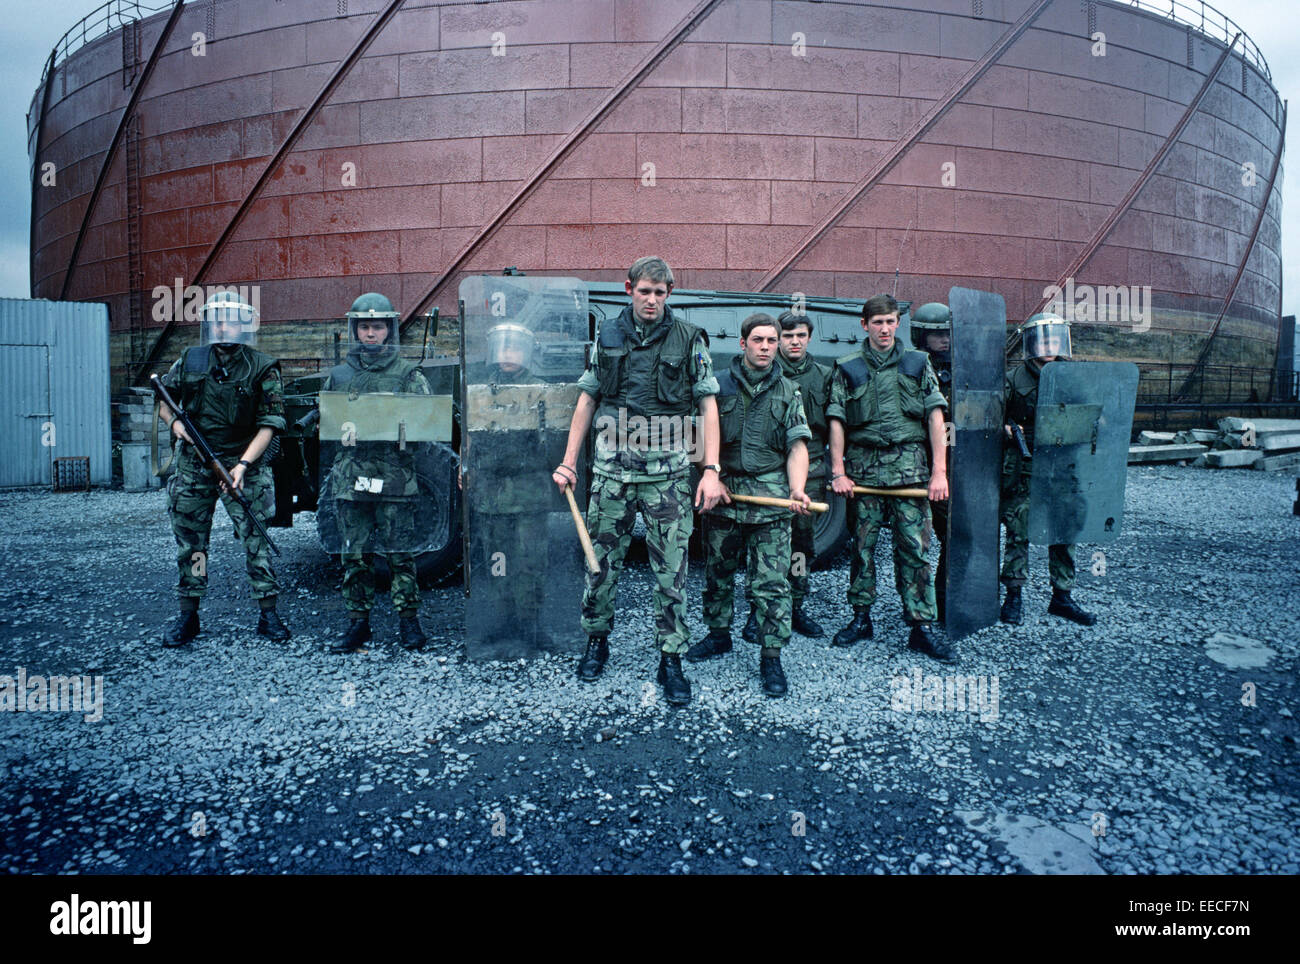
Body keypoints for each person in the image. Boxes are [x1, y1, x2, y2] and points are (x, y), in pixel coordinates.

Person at [552, 256, 726, 706]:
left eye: (660, 292)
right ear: (628, 288)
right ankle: (597, 640)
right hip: (611, 473)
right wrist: (570, 461)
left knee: (671, 571)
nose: (652, 299)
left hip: (667, 476)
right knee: (600, 566)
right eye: (644, 290)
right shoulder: (606, 335)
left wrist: (710, 469)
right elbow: (587, 398)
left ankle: (671, 658)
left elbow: (708, 405)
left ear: (670, 293)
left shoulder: (689, 339)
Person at [686, 313, 812, 697]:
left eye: (772, 341)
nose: (766, 347)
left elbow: (797, 446)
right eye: (758, 340)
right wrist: (712, 477)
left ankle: (771, 656)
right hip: (725, 497)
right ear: (742, 344)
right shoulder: (716, 386)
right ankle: (718, 634)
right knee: (717, 574)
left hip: (770, 500)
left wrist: (797, 489)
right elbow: (695, 439)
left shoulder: (789, 390)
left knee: (771, 583)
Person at [158, 290, 290, 647]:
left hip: (242, 461)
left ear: (245, 325)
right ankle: (189, 613)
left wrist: (245, 464)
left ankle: (268, 612)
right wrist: (175, 425)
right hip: (194, 464)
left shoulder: (263, 366)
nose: (224, 326)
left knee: (256, 539)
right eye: (218, 320)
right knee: (192, 542)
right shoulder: (190, 359)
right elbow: (164, 400)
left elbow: (271, 423)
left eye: (232, 320)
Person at [827, 293, 953, 662]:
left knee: (915, 550)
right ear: (864, 325)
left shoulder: (918, 363)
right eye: (877, 322)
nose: (884, 328)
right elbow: (837, 420)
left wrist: (939, 473)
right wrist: (838, 472)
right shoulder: (848, 367)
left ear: (899, 324)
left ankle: (921, 624)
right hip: (864, 472)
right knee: (862, 550)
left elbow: (935, 419)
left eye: (890, 321)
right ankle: (861, 618)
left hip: (909, 473)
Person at [324, 293, 433, 653]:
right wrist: (343, 428)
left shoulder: (408, 375)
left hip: (394, 479)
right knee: (355, 555)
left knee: (400, 553)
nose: (371, 333)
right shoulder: (339, 376)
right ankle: (358, 623)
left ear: (389, 330)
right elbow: (326, 423)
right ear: (355, 330)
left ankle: (409, 621)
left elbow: (426, 422)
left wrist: (402, 429)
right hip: (351, 478)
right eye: (365, 327)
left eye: (378, 327)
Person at [999, 313, 1096, 626]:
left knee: (1064, 528)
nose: (1049, 346)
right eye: (1042, 339)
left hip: (1062, 466)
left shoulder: (1073, 378)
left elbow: (1090, 418)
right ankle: (1014, 594)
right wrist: (1007, 431)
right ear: (1030, 342)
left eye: (1054, 339)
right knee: (1018, 530)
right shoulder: (1014, 380)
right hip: (1025, 468)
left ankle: (1062, 595)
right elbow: (994, 418)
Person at [910, 302, 954, 623]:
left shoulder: (962, 369)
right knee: (914, 543)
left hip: (946, 466)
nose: (944, 340)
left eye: (947, 333)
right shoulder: (912, 367)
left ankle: (941, 599)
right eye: (936, 333)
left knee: (950, 534)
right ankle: (916, 607)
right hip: (913, 466)